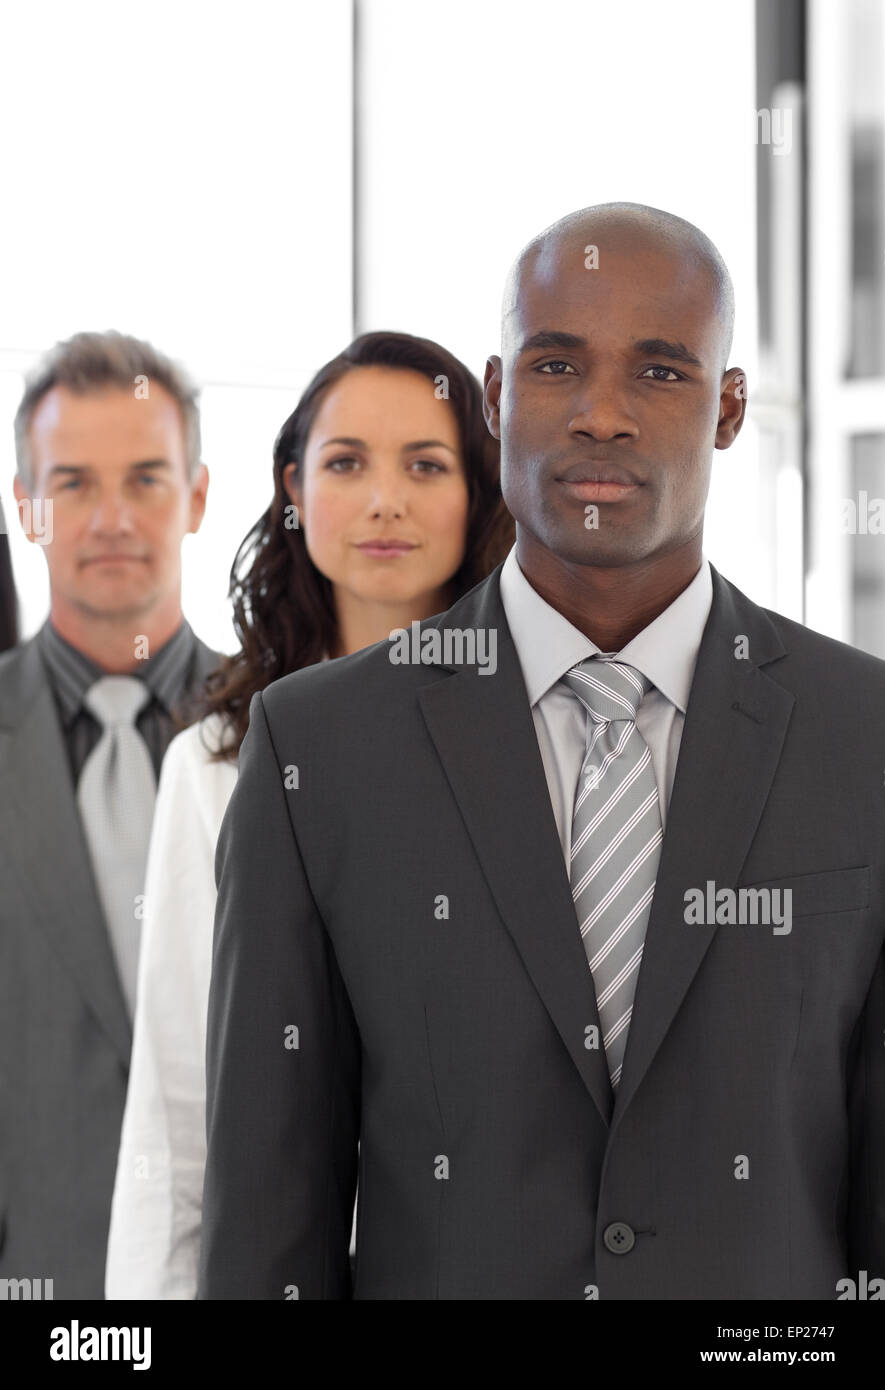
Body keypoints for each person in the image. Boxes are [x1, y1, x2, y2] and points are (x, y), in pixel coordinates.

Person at [198, 203, 885, 1300]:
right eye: (557, 364)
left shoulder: (865, 738)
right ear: (499, 393)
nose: (603, 416)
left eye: (661, 373)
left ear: (731, 408)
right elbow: (267, 1223)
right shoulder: (315, 752)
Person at [105, 331, 514, 1298]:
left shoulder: (546, 741)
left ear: (479, 493)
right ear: (292, 490)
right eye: (345, 463)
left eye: (426, 464)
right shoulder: (212, 766)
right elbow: (176, 1109)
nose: (385, 500)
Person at [0, 331, 221, 1299]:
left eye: (145, 478)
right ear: (24, 504)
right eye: (74, 483)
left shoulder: (295, 733)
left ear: (200, 495)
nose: (113, 518)